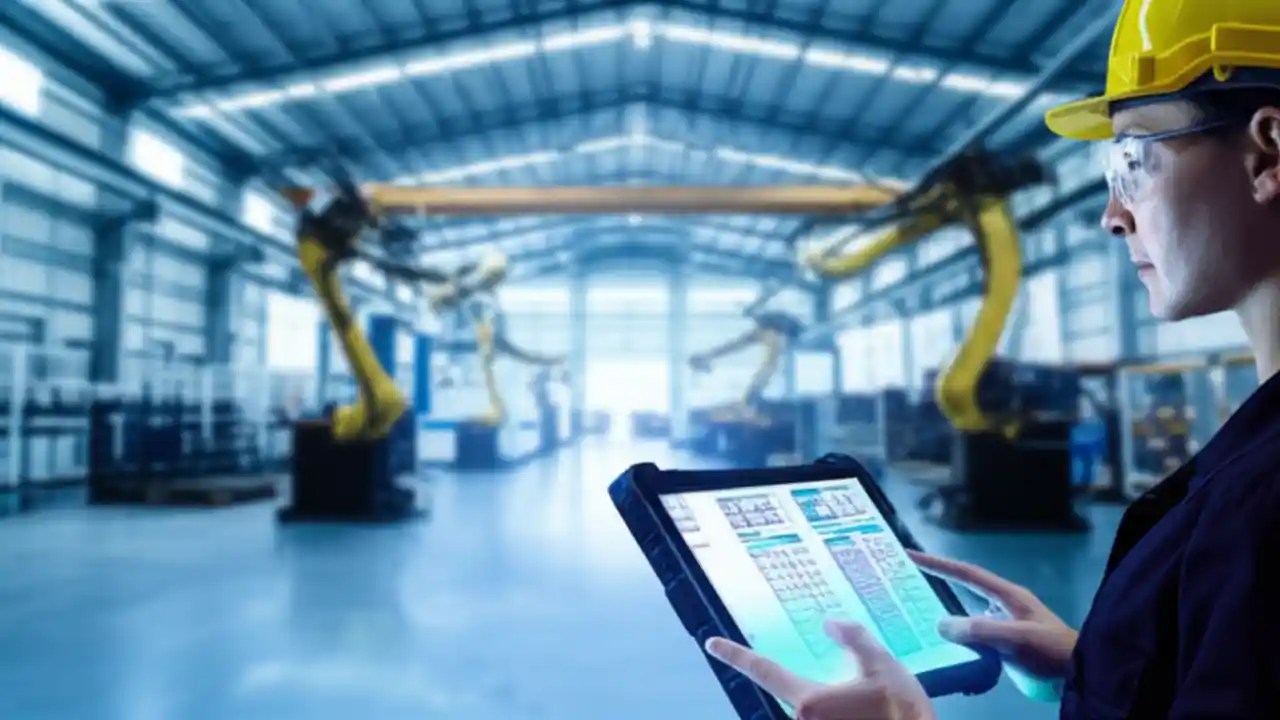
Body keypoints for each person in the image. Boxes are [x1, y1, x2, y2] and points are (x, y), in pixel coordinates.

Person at [704, 1, 1280, 717]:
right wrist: (1098, 666)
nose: (1113, 215)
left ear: (1268, 153)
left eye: (1132, 159)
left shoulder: (1264, 502)